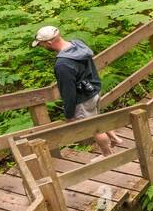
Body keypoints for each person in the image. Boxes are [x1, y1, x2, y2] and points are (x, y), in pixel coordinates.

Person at [32, 25, 116, 156]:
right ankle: (116, 139)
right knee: (96, 117)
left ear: (49, 42)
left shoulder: (62, 65)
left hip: (83, 98)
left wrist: (69, 114)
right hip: (94, 88)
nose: (42, 47)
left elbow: (68, 93)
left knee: (94, 128)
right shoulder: (78, 44)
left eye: (41, 44)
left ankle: (108, 155)